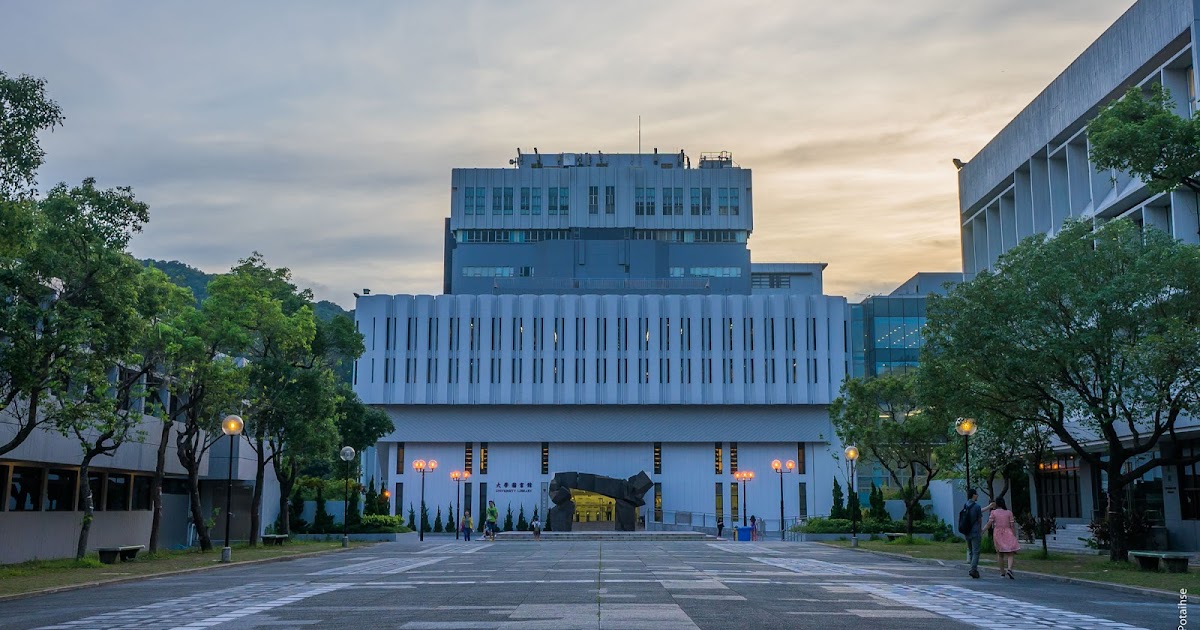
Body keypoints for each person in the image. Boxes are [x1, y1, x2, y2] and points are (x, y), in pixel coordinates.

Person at [987, 497, 1020, 579]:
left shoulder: (993, 512)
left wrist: (983, 530)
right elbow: (1012, 525)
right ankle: (1009, 569)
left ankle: (1002, 572)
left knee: (1000, 553)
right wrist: (1014, 535)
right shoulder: (1009, 512)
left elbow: (989, 523)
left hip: (997, 533)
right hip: (1008, 532)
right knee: (1010, 553)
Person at [962, 488, 984, 579]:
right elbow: (979, 519)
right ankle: (973, 569)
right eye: (976, 494)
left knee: (971, 551)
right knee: (976, 551)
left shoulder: (965, 505)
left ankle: (973, 568)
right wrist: (980, 529)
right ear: (974, 495)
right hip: (975, 531)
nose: (977, 496)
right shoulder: (977, 506)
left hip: (966, 531)